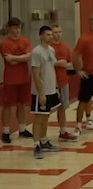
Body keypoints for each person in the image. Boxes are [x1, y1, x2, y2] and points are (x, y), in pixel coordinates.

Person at [29, 26, 61, 159]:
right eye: (48, 35)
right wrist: (41, 93)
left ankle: (43, 141)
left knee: (46, 117)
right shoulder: (37, 52)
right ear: (41, 36)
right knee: (39, 118)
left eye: (51, 34)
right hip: (40, 92)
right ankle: (36, 145)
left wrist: (56, 88)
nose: (51, 37)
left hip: (51, 90)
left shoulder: (51, 50)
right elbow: (36, 75)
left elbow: (52, 70)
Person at [1, 18, 34, 144]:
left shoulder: (25, 41)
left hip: (24, 78)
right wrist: (22, 58)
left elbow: (29, 56)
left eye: (19, 28)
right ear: (10, 28)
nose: (17, 30)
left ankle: (22, 128)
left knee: (22, 104)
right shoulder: (5, 43)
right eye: (15, 28)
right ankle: (6, 131)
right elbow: (9, 61)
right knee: (7, 105)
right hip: (10, 78)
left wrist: (16, 58)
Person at [49, 24, 78, 142]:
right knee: (47, 109)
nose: (58, 34)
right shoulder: (49, 48)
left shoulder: (65, 47)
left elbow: (70, 63)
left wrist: (65, 64)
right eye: (55, 32)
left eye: (59, 32)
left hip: (63, 81)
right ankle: (42, 136)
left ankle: (63, 131)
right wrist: (57, 64)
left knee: (63, 107)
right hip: (51, 82)